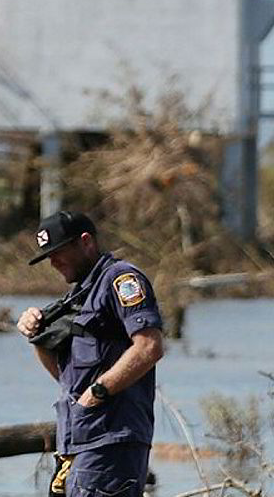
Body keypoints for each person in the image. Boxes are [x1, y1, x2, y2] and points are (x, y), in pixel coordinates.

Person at [16, 211, 167, 497]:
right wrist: (37, 334)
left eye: (58, 252)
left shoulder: (122, 279)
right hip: (78, 443)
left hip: (111, 442)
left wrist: (97, 392)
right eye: (47, 256)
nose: (53, 262)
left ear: (86, 242)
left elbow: (149, 346)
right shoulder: (81, 294)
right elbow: (67, 378)